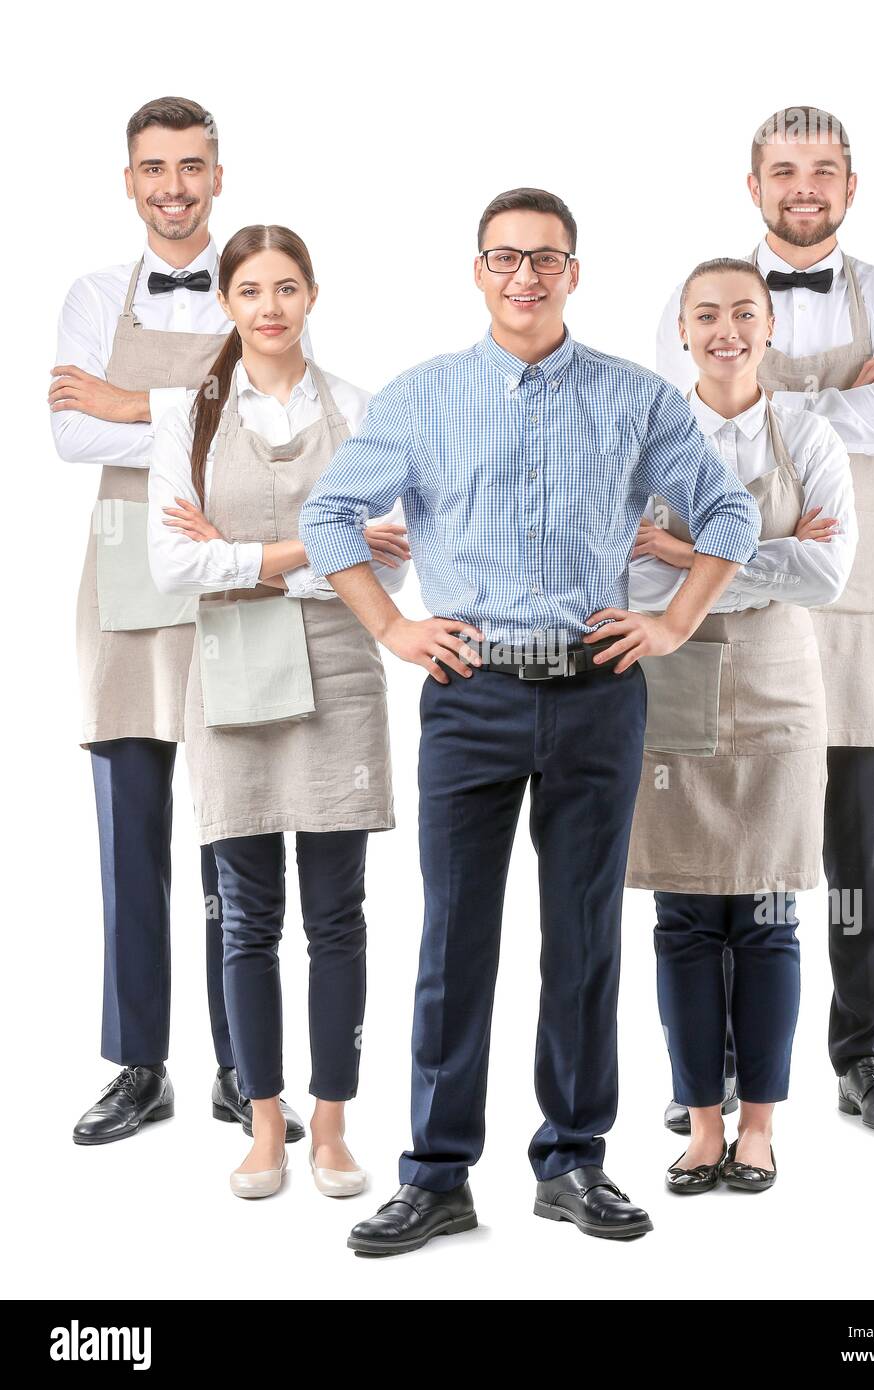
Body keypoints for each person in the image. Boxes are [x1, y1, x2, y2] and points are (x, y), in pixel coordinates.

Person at [299, 187, 761, 1256]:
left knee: (584, 938)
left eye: (544, 258)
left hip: (600, 688)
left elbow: (727, 511)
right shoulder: (421, 399)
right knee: (454, 939)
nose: (524, 276)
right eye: (504, 258)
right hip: (470, 696)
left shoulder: (636, 400)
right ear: (477, 270)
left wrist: (676, 620)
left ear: (573, 272)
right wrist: (393, 628)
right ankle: (437, 1172)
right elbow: (328, 512)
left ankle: (574, 1160)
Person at [654, 106, 874, 1134]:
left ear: (849, 187)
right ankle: (717, 1071)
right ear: (754, 185)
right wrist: (828, 393)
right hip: (715, 621)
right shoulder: (695, 300)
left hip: (849, 608)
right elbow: (682, 413)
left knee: (858, 846)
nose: (803, 187)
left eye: (823, 170)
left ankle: (865, 1054)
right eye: (784, 170)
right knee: (717, 844)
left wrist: (781, 396)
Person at [50, 96, 305, 1146]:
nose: (172, 186)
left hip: (236, 565)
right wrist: (186, 407)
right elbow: (68, 432)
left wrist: (132, 407)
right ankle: (139, 1065)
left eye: (190, 166)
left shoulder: (256, 282)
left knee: (238, 823)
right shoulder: (92, 292)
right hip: (123, 577)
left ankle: (243, 1064)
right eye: (154, 167)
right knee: (130, 835)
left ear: (217, 174)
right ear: (128, 180)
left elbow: (271, 418)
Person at [148, 224, 409, 1198]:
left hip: (341, 668)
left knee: (337, 913)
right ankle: (265, 1125)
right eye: (250, 289)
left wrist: (246, 554)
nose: (269, 306)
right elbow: (173, 565)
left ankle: (334, 1128)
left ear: (311, 296)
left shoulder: (359, 406)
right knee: (247, 917)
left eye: (286, 287)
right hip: (233, 672)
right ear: (226, 302)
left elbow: (391, 554)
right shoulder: (189, 418)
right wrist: (315, 546)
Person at [628, 258, 856, 1190]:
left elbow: (830, 579)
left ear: (770, 329)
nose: (726, 329)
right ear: (682, 331)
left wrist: (690, 552)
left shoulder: (811, 436)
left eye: (744, 314)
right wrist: (765, 556)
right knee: (683, 917)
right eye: (705, 314)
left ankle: (760, 1124)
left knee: (769, 916)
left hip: (776, 692)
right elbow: (631, 581)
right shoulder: (645, 438)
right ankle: (705, 1124)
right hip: (671, 683)